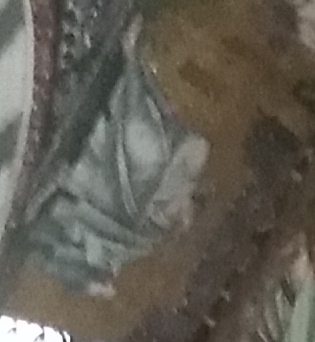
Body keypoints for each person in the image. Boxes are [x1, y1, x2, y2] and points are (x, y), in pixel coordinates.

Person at [23, 30, 208, 295]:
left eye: (176, 221)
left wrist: (104, 271)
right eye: (182, 212)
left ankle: (75, 264)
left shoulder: (147, 233)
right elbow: (145, 121)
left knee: (85, 242)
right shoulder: (160, 157)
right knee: (144, 154)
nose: (174, 216)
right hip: (103, 145)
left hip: (97, 179)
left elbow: (120, 243)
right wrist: (133, 62)